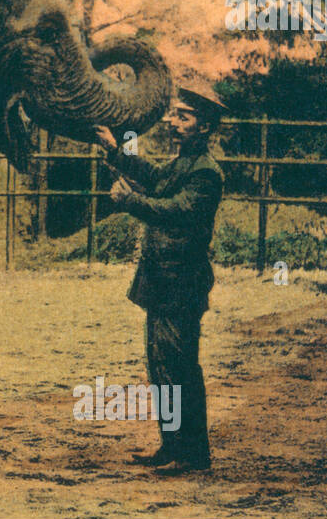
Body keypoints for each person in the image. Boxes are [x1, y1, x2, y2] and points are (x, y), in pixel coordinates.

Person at [93, 84, 227, 476]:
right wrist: (115, 150)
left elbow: (174, 211)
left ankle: (193, 454)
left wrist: (130, 201)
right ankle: (172, 445)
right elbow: (152, 174)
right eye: (174, 114)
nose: (172, 122)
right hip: (163, 283)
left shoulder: (206, 173)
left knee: (181, 367)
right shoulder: (183, 164)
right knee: (161, 367)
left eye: (183, 116)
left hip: (181, 285)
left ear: (204, 127)